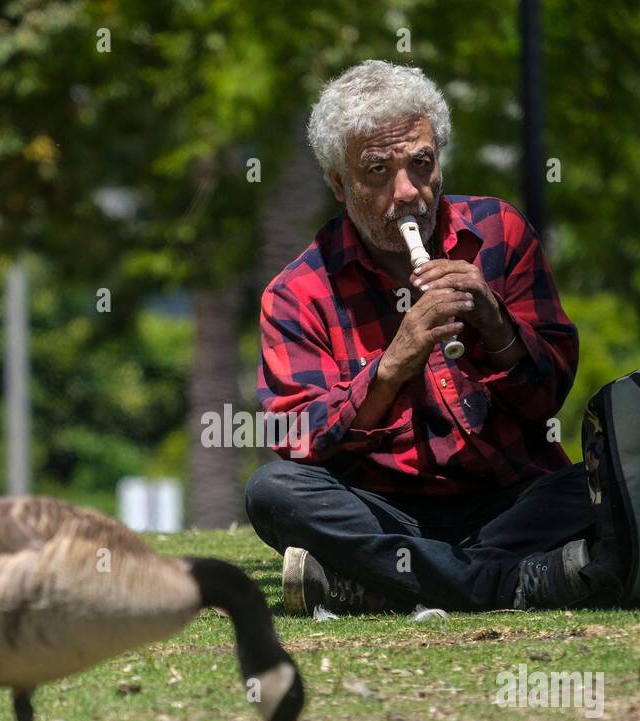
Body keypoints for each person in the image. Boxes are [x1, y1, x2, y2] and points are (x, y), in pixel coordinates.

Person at [245, 60, 595, 616]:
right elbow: (299, 436)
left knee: (608, 482)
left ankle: (388, 582)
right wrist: (392, 366)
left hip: (511, 500)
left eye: (421, 164)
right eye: (377, 171)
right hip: (384, 511)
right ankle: (508, 583)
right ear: (340, 184)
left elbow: (548, 397)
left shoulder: (500, 232)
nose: (407, 192)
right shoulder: (297, 292)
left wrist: (496, 324)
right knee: (273, 492)